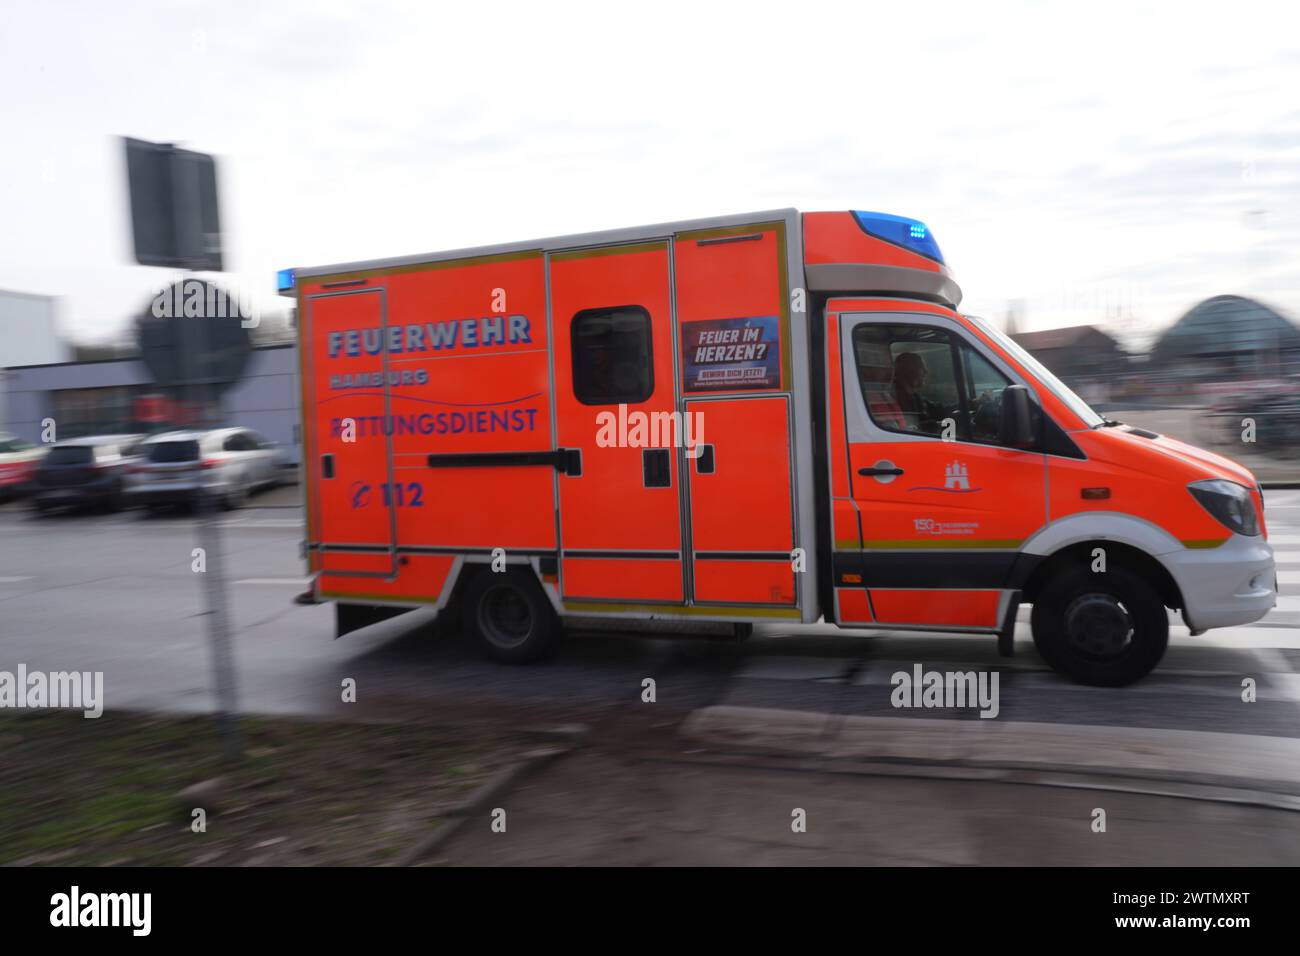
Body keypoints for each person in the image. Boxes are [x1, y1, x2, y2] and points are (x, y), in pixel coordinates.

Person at [891, 351, 945, 433]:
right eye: (921, 367)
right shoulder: (897, 398)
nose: (926, 372)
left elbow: (936, 409)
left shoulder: (913, 396)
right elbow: (910, 428)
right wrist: (935, 425)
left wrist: (967, 404)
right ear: (909, 372)